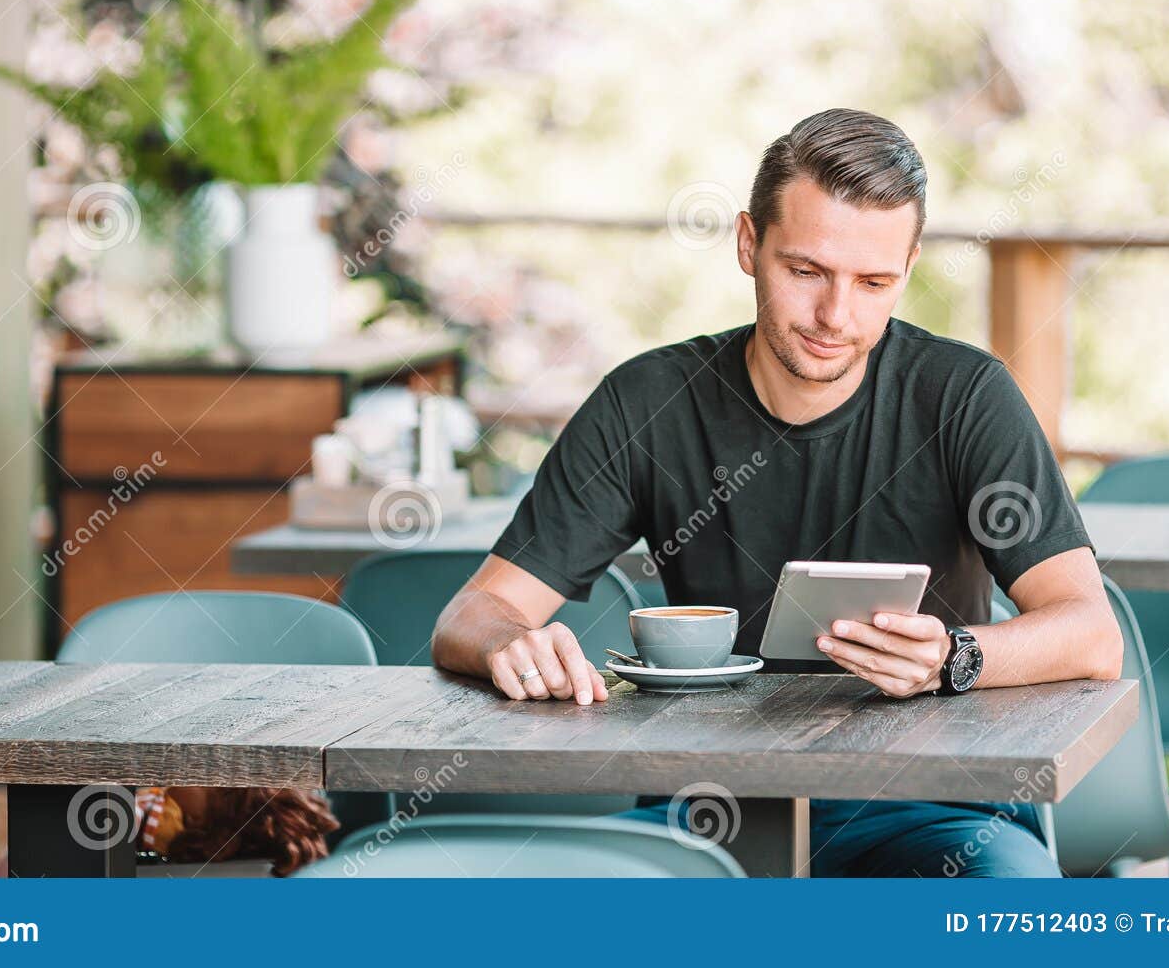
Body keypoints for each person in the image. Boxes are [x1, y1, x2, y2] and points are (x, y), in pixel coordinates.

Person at [431, 108, 1122, 877]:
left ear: (909, 267)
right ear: (747, 243)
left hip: (933, 810)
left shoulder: (964, 397)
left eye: (873, 283)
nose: (836, 315)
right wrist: (507, 642)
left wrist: (953, 655)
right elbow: (471, 613)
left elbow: (1092, 633)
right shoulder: (647, 401)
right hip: (705, 807)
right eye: (806, 271)